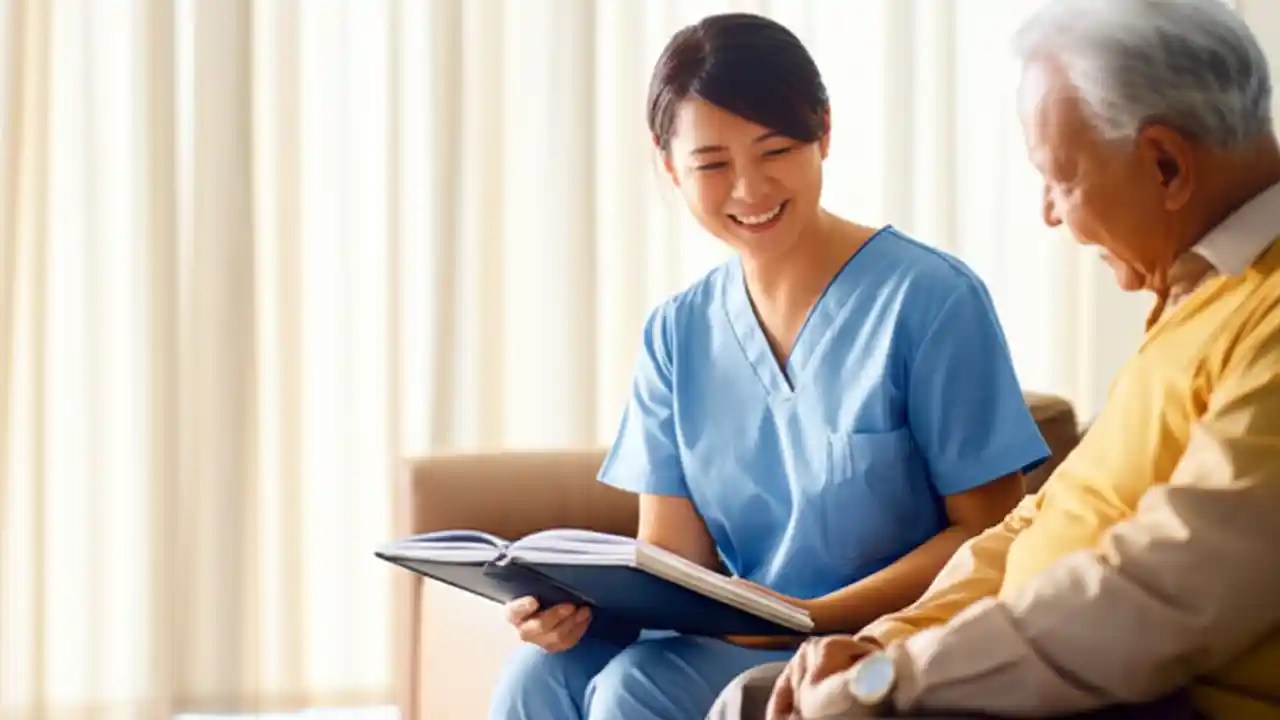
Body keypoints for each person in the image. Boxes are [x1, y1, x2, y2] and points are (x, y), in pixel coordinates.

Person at [710, 0, 1280, 718]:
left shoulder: (1265, 316)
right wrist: (887, 644)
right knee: (757, 698)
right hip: (1049, 679)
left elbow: (1174, 586)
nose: (1050, 213)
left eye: (1060, 179)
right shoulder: (1201, 295)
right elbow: (1032, 525)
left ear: (1166, 165)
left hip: (1156, 699)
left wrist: (899, 682)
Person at [488, 12, 1050, 720]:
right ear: (670, 167)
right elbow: (673, 560)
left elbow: (990, 534)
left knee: (639, 686)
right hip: (740, 632)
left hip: (866, 637)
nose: (749, 189)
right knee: (535, 675)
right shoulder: (677, 331)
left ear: (824, 134)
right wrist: (576, 614)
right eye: (712, 164)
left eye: (776, 149)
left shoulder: (931, 299)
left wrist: (812, 614)